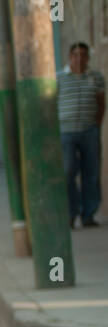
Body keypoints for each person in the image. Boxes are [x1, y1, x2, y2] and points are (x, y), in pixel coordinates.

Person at [57, 41, 106, 227]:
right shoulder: (59, 78)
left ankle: (88, 215)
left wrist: (97, 124)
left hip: (89, 131)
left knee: (91, 172)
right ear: (70, 57)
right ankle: (71, 212)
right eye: (75, 54)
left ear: (88, 58)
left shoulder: (96, 77)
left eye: (83, 55)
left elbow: (102, 102)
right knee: (68, 171)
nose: (79, 58)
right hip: (66, 132)